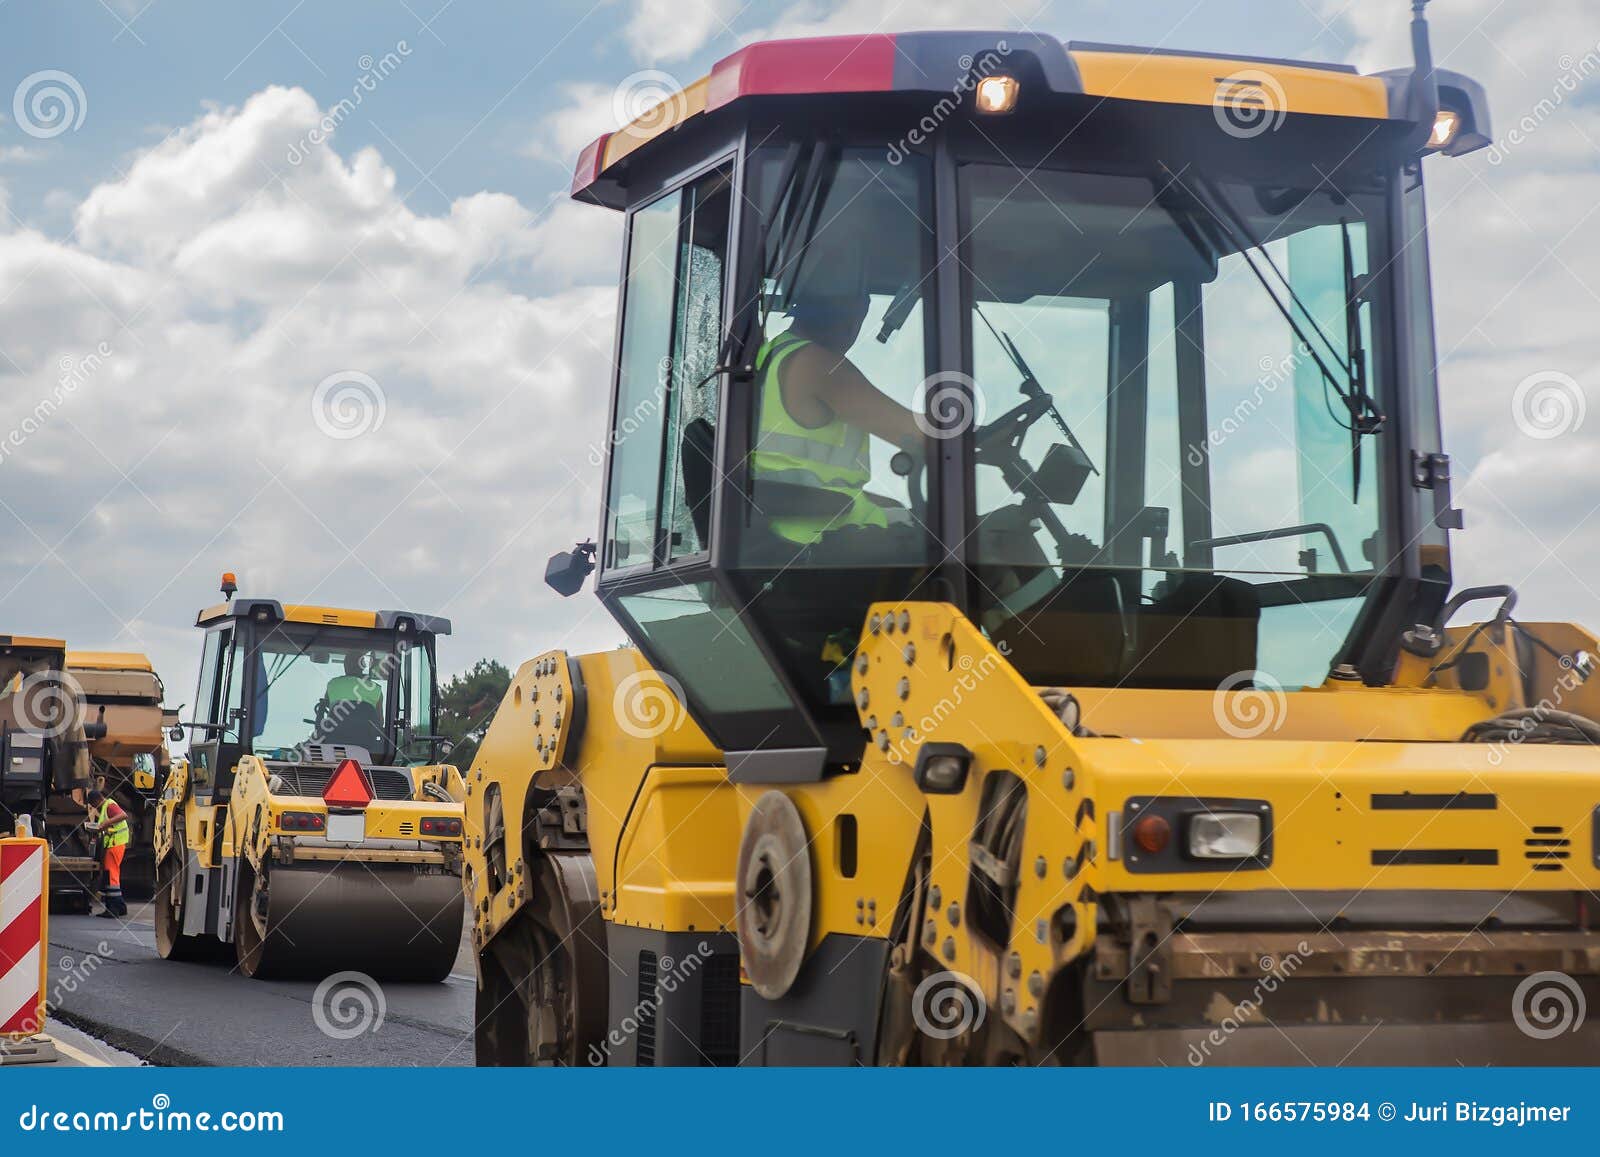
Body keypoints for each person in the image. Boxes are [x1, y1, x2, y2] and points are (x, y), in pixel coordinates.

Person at [751, 286, 925, 546]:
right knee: (1000, 529)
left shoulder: (770, 356)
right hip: (824, 544)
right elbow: (921, 435)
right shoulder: (817, 365)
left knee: (911, 516)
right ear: (853, 315)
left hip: (789, 535)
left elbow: (813, 482)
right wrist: (983, 437)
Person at [83, 789, 129, 918]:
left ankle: (113, 909)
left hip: (115, 844)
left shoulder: (109, 805)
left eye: (93, 804)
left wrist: (104, 824)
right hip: (113, 844)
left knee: (111, 876)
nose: (94, 807)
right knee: (113, 875)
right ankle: (120, 906)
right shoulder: (106, 807)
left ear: (96, 800)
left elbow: (123, 815)